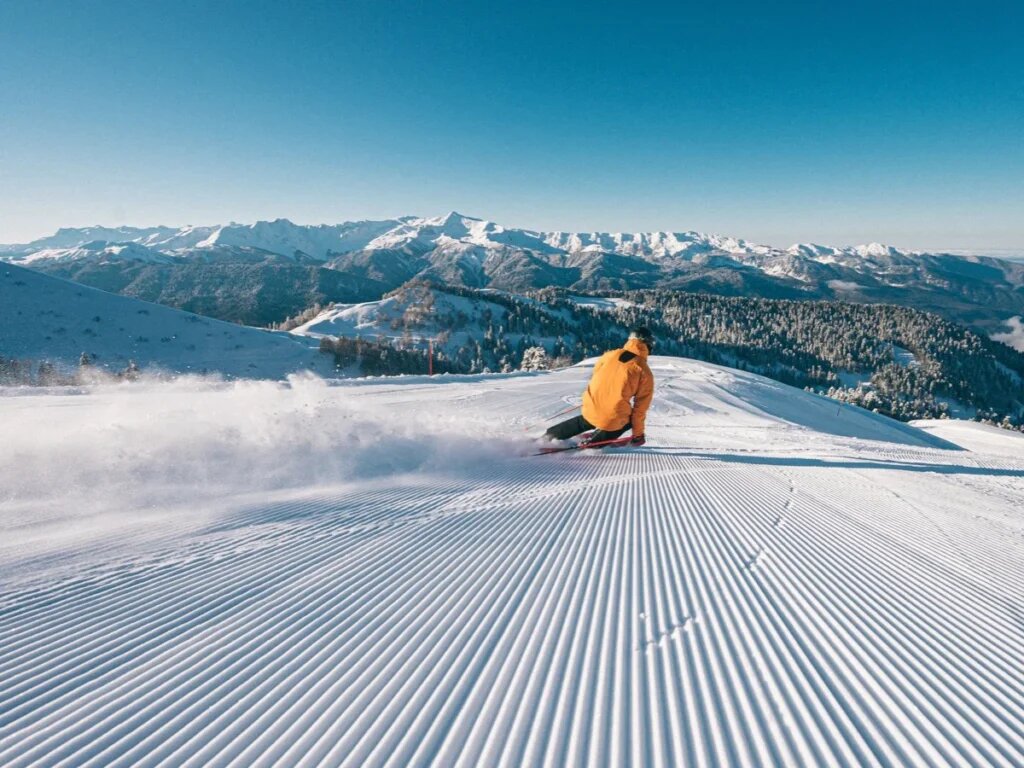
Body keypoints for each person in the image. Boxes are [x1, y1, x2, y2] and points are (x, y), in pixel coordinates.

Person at [545, 327, 655, 446]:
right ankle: (592, 443)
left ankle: (549, 435)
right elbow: (640, 410)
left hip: (591, 404)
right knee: (627, 420)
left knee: (587, 419)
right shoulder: (644, 371)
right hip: (611, 416)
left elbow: (598, 375)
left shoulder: (609, 355)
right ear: (648, 344)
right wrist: (638, 435)